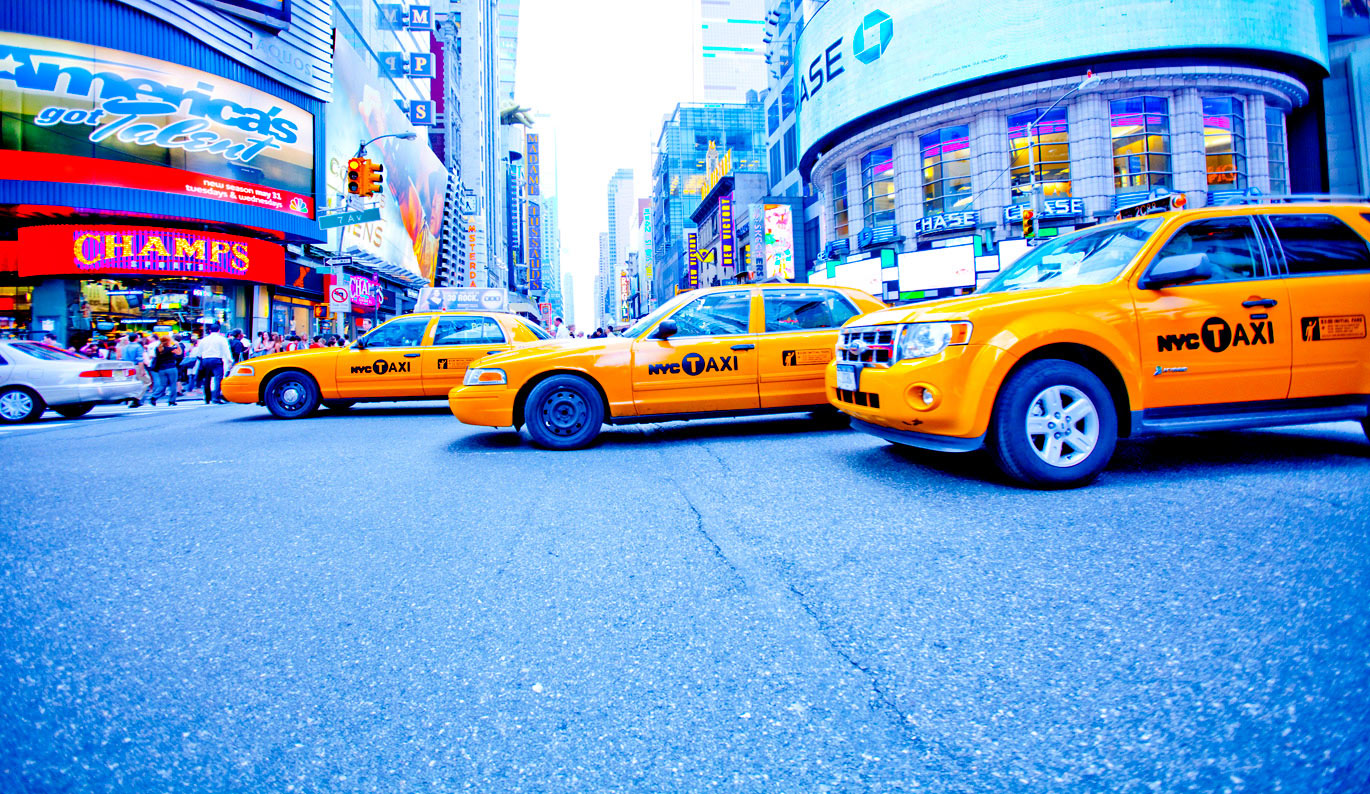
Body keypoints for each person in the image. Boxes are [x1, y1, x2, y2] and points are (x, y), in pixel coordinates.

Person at [196, 323, 232, 404]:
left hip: (205, 360)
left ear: (209, 331)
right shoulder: (222, 339)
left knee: (207, 379)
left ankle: (207, 398)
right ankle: (216, 397)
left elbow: (199, 353)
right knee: (218, 378)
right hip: (216, 359)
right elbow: (226, 350)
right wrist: (230, 360)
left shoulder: (203, 340)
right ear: (219, 330)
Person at [147, 335, 183, 406]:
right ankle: (172, 400)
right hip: (171, 367)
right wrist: (177, 345)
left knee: (162, 384)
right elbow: (179, 353)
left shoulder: (158, 349)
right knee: (173, 384)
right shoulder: (170, 349)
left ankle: (154, 397)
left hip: (161, 369)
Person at [119, 333, 147, 407]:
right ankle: (137, 398)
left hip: (127, 366)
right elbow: (140, 359)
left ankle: (130, 399)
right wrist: (142, 370)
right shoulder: (138, 346)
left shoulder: (124, 347)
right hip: (136, 366)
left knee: (131, 382)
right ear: (136, 338)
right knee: (147, 381)